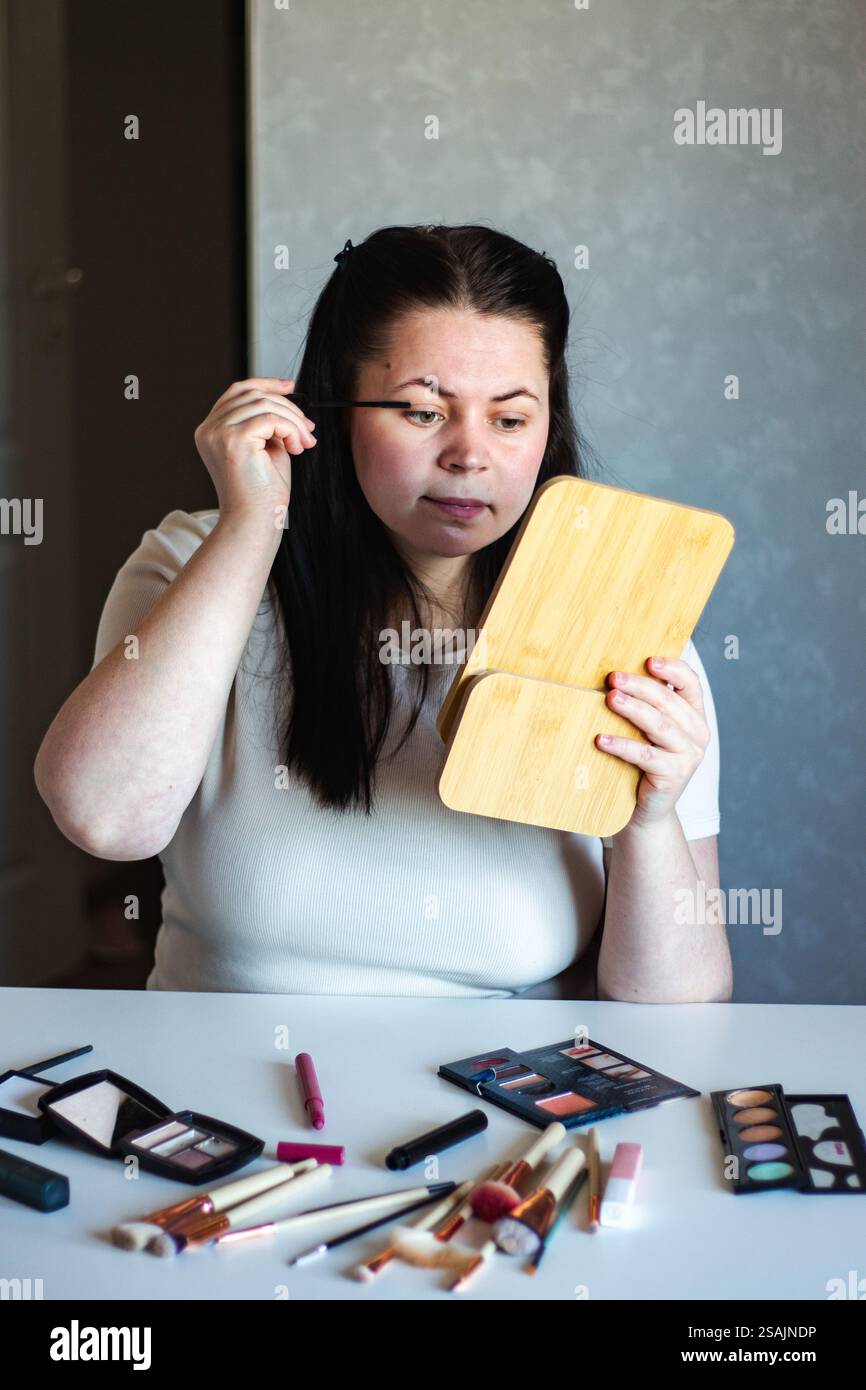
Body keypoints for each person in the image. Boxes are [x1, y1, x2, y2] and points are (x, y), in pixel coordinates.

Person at [34, 224, 732, 1002]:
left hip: (493, 1102)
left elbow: (680, 1006)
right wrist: (249, 527)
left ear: (548, 427)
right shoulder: (194, 561)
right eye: (422, 412)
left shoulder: (620, 622)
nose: (470, 455)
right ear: (331, 413)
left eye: (509, 419)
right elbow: (106, 820)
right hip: (229, 1098)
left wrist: (650, 821)